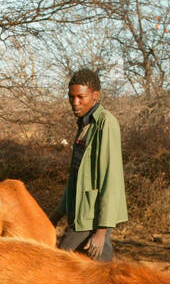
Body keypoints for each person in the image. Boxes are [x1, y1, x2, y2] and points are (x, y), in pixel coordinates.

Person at [49, 69, 128, 261]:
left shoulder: (105, 123)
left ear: (95, 96)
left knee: (61, 265)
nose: (75, 103)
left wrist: (102, 232)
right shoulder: (85, 124)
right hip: (80, 215)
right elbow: (76, 176)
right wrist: (57, 213)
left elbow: (112, 177)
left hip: (91, 219)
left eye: (80, 97)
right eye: (71, 97)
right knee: (96, 277)